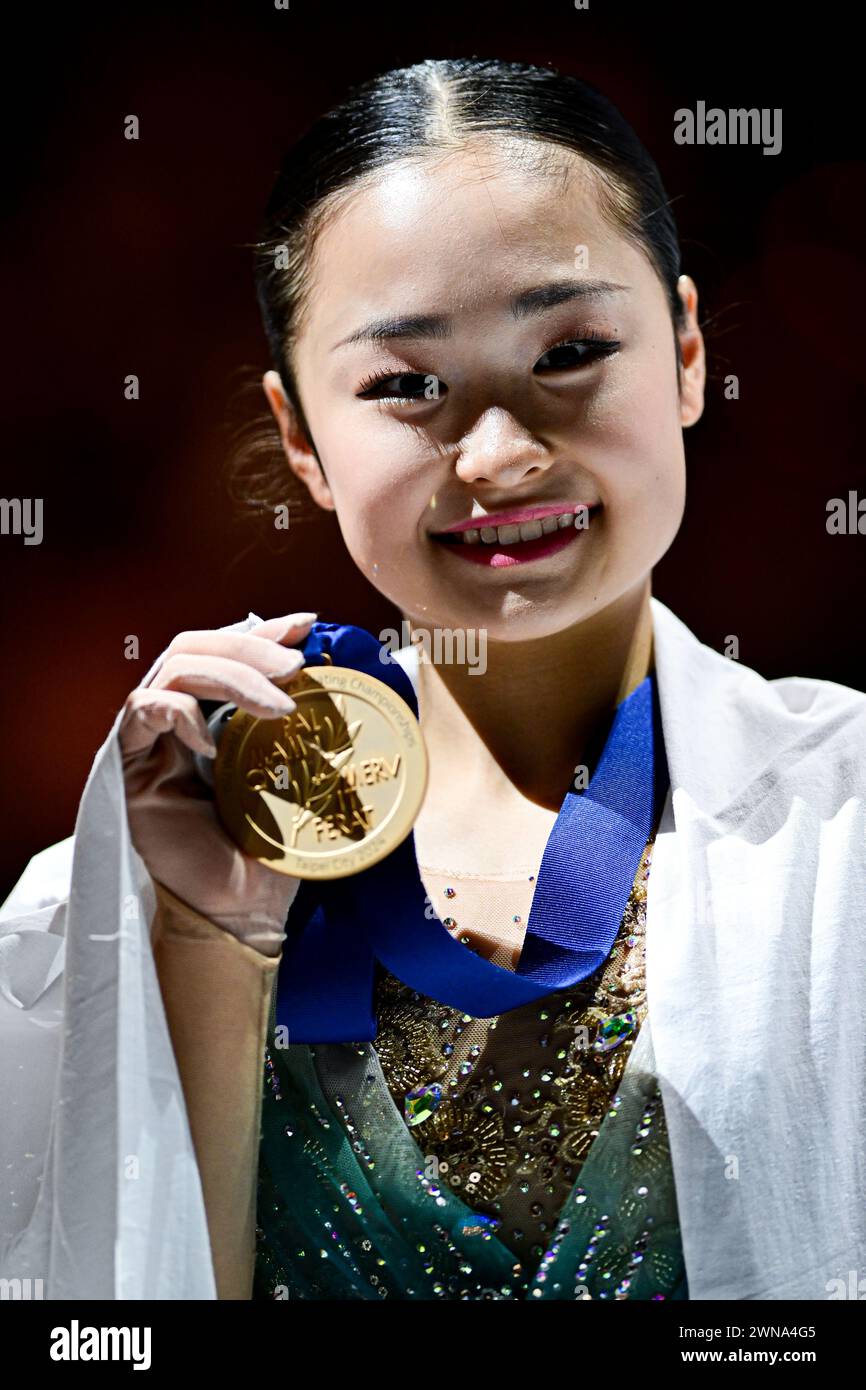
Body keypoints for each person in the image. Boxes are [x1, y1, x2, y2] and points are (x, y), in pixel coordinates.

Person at [2, 57, 864, 1303]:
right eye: (407, 385)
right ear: (301, 436)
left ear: (683, 353)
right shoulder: (87, 908)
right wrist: (199, 939)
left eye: (570, 350)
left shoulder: (845, 820)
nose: (499, 454)